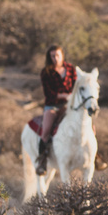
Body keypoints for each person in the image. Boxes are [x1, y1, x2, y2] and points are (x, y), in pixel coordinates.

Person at [37, 44, 76, 175]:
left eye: (57, 55)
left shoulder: (71, 69)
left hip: (70, 104)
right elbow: (48, 93)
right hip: (53, 105)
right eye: (52, 56)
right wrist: (63, 95)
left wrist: (72, 97)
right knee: (46, 130)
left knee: (88, 124)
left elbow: (77, 86)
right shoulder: (46, 72)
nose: (55, 58)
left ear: (62, 55)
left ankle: (95, 156)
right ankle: (42, 161)